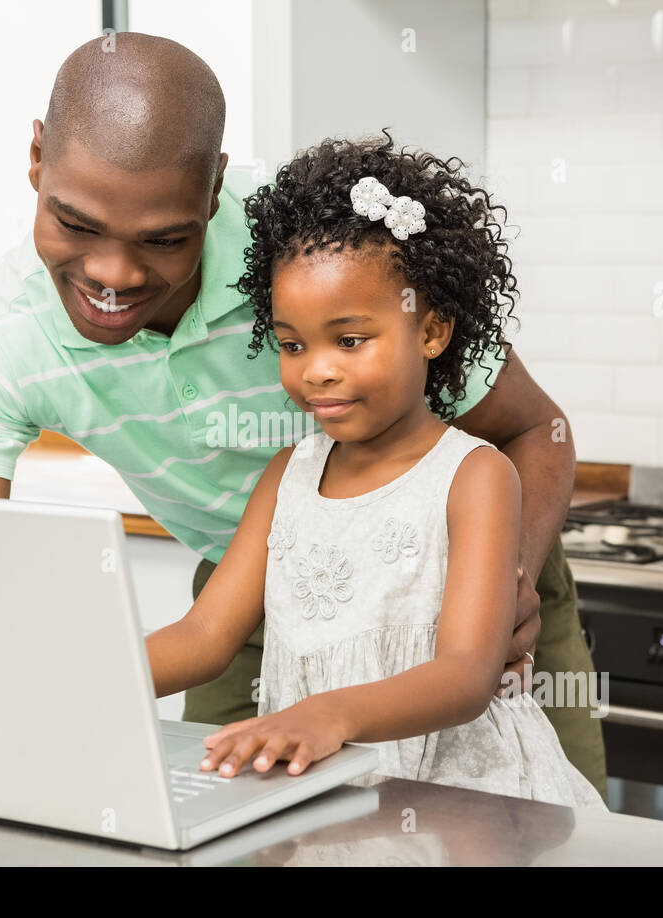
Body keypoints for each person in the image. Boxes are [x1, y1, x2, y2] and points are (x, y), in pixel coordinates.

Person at [0, 32, 607, 802]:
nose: (112, 274)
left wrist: (504, 587)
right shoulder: (7, 341)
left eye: (163, 239)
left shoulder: (326, 248)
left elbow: (535, 434)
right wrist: (45, 678)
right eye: (287, 343)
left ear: (212, 192)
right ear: (36, 159)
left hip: (471, 596)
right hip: (272, 608)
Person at [143, 136, 607, 810]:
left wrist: (329, 715)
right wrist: (99, 671)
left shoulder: (474, 477)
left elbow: (467, 673)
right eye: (293, 344)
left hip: (463, 798)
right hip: (326, 791)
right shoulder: (287, 476)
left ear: (432, 331)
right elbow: (206, 637)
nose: (317, 368)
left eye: (350, 339)